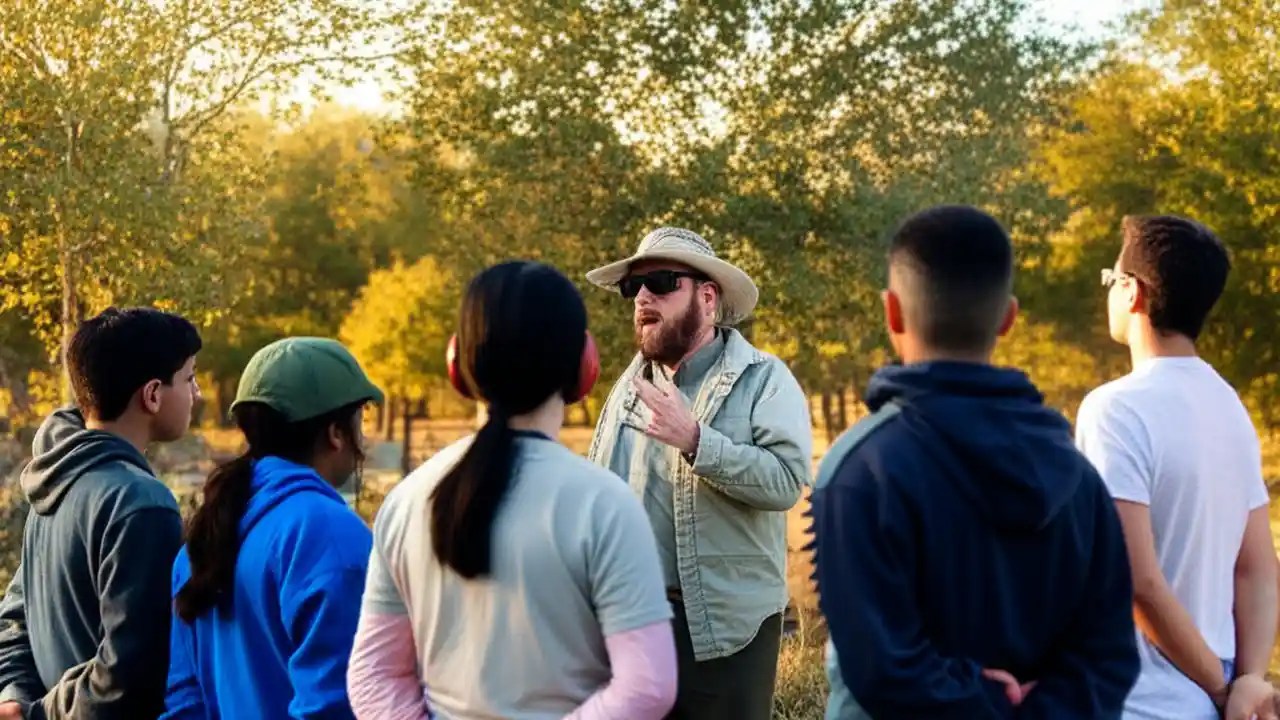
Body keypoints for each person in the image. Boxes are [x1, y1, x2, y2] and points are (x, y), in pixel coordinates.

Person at [811, 205, 1140, 719]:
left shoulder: (859, 472)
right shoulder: (1078, 476)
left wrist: (984, 701)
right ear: (1008, 317)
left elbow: (879, 667)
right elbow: (1110, 658)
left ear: (891, 312)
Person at [347, 261, 677, 720]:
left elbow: (374, 676)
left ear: (457, 362)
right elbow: (648, 686)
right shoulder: (605, 505)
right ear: (584, 365)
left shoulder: (407, 500)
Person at [584, 227, 812, 719]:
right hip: (631, 627)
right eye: (634, 287)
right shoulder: (625, 391)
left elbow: (786, 483)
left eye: (662, 281)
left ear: (708, 299)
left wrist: (697, 441)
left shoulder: (764, 379)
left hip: (728, 634)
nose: (643, 296)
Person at [1075, 215, 1279, 720]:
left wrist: (1219, 687)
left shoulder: (1114, 409)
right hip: (1215, 702)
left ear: (1134, 293)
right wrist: (1246, 681)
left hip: (1139, 702)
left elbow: (1135, 579)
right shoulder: (1228, 405)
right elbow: (1257, 567)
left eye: (1110, 278)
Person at [161, 336, 382, 720]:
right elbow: (335, 705)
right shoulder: (329, 534)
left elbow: (182, 698)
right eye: (360, 418)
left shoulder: (203, 537)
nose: (362, 437)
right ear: (335, 432)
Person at [0, 307, 203, 719]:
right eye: (189, 378)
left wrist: (15, 699)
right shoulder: (142, 504)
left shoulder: (52, 481)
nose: (197, 394)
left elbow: (14, 620)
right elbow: (129, 677)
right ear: (152, 395)